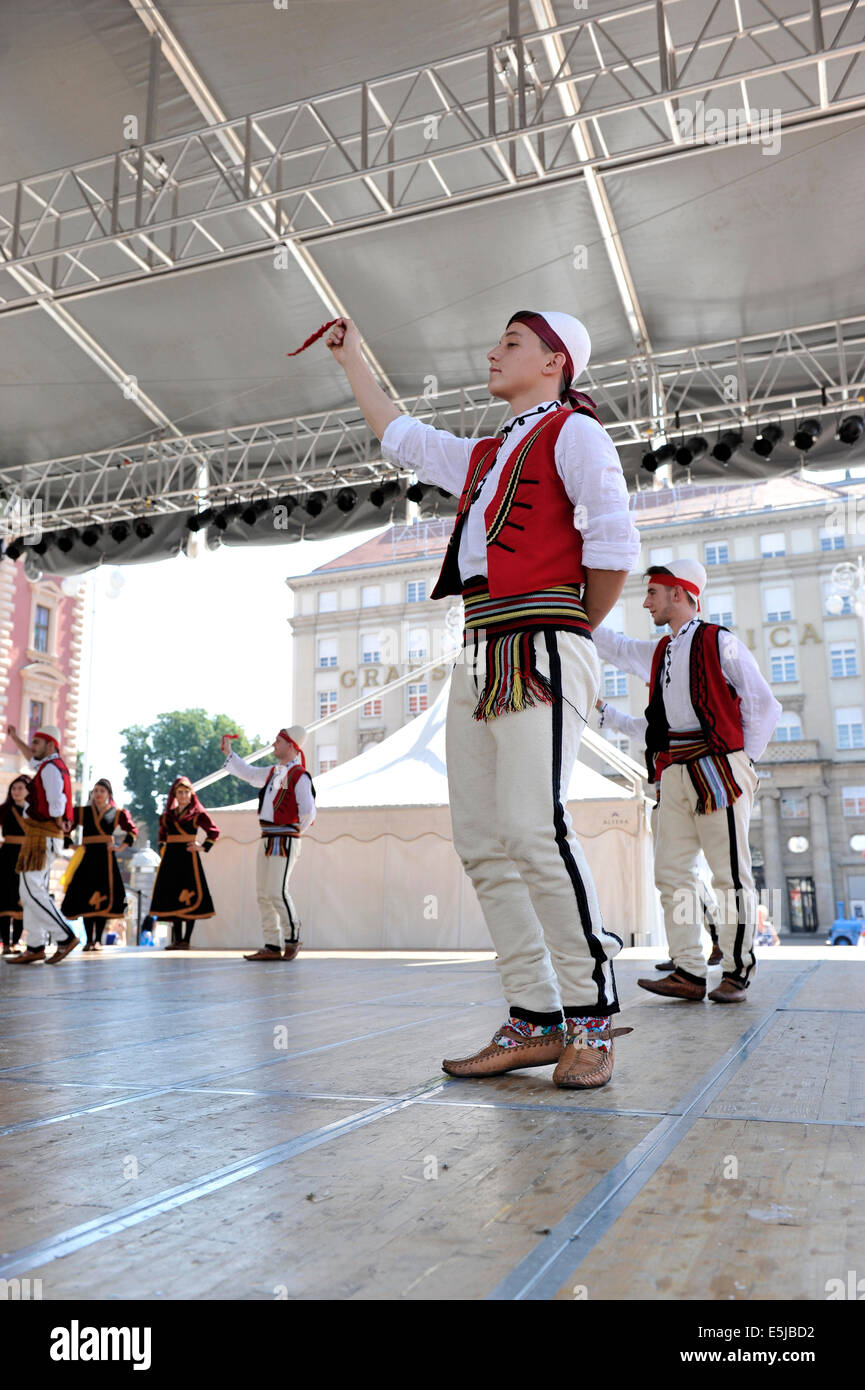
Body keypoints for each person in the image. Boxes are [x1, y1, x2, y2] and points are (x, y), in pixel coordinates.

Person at [322, 310, 640, 1088]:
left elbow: (614, 545)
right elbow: (399, 434)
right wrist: (352, 358)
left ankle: (590, 1017)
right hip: (479, 649)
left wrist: (565, 629)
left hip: (540, 642)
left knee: (535, 829)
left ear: (555, 361)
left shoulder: (575, 433)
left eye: (510, 343)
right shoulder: (488, 451)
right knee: (483, 840)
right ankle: (532, 1018)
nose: (491, 352)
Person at [593, 562, 781, 1003]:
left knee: (729, 875)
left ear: (679, 594)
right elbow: (614, 648)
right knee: (672, 873)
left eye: (653, 592)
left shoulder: (720, 641)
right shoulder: (661, 651)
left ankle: (736, 970)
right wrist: (572, 608)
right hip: (673, 771)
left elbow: (763, 705)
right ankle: (689, 971)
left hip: (719, 767)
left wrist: (742, 763)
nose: (646, 602)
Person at [595, 698, 723, 969]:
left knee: (681, 876)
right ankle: (685, 952)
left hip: (681, 800)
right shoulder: (660, 716)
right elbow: (630, 726)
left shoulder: (683, 712)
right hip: (666, 801)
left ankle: (711, 943)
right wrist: (601, 706)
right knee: (673, 877)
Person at [219, 726, 316, 961]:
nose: (274, 745)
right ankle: (272, 944)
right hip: (268, 837)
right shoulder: (277, 772)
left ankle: (293, 937)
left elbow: (309, 812)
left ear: (291, 746)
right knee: (263, 893)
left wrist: (292, 833)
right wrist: (229, 754)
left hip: (283, 838)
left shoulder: (298, 775)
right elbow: (250, 774)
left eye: (278, 742)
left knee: (276, 890)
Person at [4, 723, 79, 965]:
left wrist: (58, 822)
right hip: (42, 836)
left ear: (50, 745)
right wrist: (16, 739)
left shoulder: (50, 769)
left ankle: (64, 937)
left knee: (32, 889)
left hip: (42, 836)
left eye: (37, 742)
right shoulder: (49, 765)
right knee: (29, 892)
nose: (32, 746)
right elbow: (31, 758)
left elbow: (58, 800)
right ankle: (35, 945)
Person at [61, 779, 138, 951]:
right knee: (86, 897)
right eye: (95, 790)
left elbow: (132, 830)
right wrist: (71, 844)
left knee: (105, 897)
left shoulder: (117, 813)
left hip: (106, 859)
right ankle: (89, 940)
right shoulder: (83, 811)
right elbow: (66, 825)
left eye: (102, 791)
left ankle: (98, 940)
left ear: (108, 794)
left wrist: (121, 847)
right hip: (87, 858)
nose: (98, 794)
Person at [149, 777, 219, 949]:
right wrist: (163, 849)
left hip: (189, 859)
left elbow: (214, 831)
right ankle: (177, 940)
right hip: (171, 859)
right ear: (175, 794)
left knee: (190, 896)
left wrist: (202, 847)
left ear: (191, 794)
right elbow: (161, 835)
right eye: (179, 792)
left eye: (186, 792)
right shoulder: (167, 816)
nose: (183, 795)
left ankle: (186, 940)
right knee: (173, 897)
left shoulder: (197, 814)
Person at [0, 775, 32, 955]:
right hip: (6, 858)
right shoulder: (4, 810)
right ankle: (6, 943)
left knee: (22, 899)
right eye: (14, 788)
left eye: (20, 788)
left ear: (28, 791)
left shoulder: (34, 812)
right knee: (4, 899)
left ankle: (17, 940)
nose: (16, 791)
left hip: (28, 857)